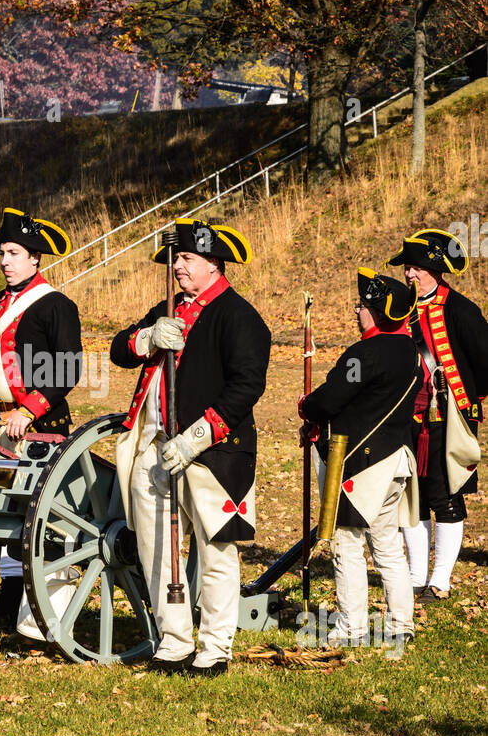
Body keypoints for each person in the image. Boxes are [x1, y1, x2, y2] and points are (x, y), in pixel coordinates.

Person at [110, 217, 271, 677]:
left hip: (215, 453)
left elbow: (246, 386)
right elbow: (119, 351)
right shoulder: (166, 308)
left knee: (218, 550)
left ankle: (216, 646)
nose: (176, 266)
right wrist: (147, 338)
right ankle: (174, 640)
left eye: (186, 258)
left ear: (213, 264)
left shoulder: (240, 316)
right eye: (176, 258)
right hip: (155, 446)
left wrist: (196, 436)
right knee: (157, 548)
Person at [0, 207, 82, 627]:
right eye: (2, 253)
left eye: (13, 252)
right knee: (2, 514)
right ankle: (9, 600)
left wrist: (29, 410)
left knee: (41, 519)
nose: (5, 261)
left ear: (35, 258)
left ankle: (42, 612)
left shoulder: (55, 305)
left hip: (39, 427)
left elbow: (68, 368)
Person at [299, 269, 421, 649]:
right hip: (397, 460)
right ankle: (401, 623)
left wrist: (308, 406)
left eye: (363, 305)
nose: (357, 311)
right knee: (386, 544)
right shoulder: (411, 352)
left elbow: (330, 398)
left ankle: (351, 628)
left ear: (380, 312)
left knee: (346, 543)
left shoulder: (365, 353)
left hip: (362, 463)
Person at [386, 228, 488, 599]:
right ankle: (415, 579)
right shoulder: (401, 310)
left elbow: (484, 365)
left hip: (451, 417)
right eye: (406, 269)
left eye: (413, 267)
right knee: (412, 496)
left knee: (446, 496)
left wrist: (463, 402)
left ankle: (439, 582)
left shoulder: (461, 310)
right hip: (407, 417)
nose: (408, 274)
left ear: (432, 268)